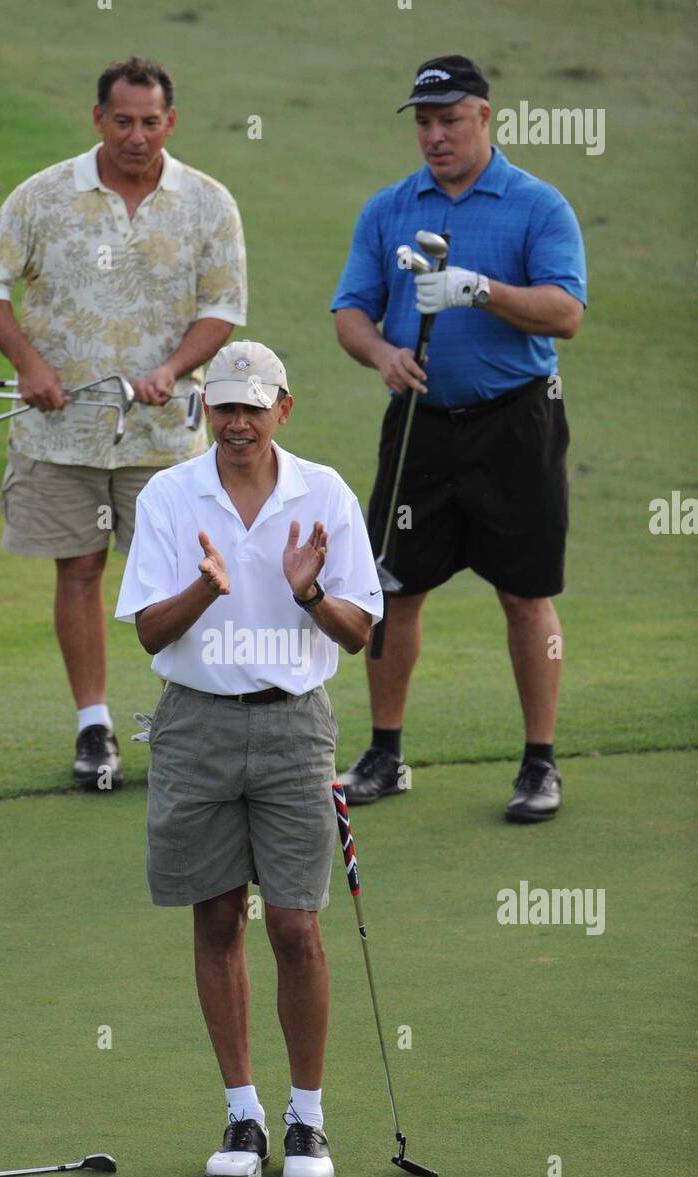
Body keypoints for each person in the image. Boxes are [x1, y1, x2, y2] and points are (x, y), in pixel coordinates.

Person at [115, 341, 382, 1177]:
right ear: (204, 411)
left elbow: (359, 630)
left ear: (282, 410)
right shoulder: (169, 494)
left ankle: (307, 1122)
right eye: (223, 406)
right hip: (193, 726)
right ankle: (243, 1113)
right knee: (218, 918)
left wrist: (307, 592)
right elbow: (150, 631)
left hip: (294, 726)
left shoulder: (325, 492)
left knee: (294, 925)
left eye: (252, 407)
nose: (236, 422)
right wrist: (206, 588)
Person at [0, 56, 247, 789]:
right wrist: (29, 364)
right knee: (80, 569)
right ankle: (94, 727)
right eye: (122, 121)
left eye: (150, 122)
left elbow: (223, 308)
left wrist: (175, 368)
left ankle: (191, 718)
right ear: (98, 119)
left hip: (163, 434)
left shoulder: (208, 203)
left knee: (185, 578)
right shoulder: (44, 195)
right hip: (62, 433)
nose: (136, 137)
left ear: (170, 123)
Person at [331, 55, 586, 821]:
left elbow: (564, 314)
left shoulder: (537, 205)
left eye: (448, 120)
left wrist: (480, 290)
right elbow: (350, 311)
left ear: (483, 117)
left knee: (524, 592)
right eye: (423, 123)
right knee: (392, 588)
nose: (434, 136)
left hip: (513, 422)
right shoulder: (386, 209)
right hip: (417, 422)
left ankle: (539, 764)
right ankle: (384, 752)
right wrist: (382, 353)